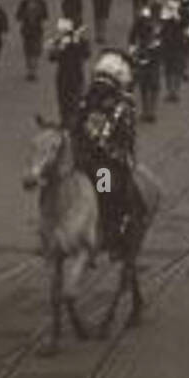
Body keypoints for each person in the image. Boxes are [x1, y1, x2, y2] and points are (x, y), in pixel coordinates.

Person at [73, 50, 144, 252]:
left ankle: (108, 230)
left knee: (104, 191)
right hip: (83, 157)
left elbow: (126, 138)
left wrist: (105, 146)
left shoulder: (124, 106)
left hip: (107, 163)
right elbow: (76, 125)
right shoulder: (86, 101)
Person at [47, 18, 90, 126]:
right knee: (63, 100)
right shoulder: (59, 41)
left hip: (75, 74)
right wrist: (60, 47)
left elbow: (86, 54)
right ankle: (65, 121)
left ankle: (73, 122)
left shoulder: (80, 40)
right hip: (64, 75)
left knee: (74, 99)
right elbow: (51, 57)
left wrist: (76, 44)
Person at [129, 4, 162, 122]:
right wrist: (133, 49)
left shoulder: (162, 22)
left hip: (156, 55)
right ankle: (146, 110)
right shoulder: (141, 21)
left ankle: (151, 111)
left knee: (154, 84)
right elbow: (133, 35)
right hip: (143, 53)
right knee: (144, 83)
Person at [16, 0, 48, 81]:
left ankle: (32, 71)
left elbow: (45, 16)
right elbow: (18, 16)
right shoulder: (26, 2)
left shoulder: (40, 2)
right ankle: (31, 71)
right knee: (30, 51)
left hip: (35, 29)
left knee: (34, 51)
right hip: (29, 29)